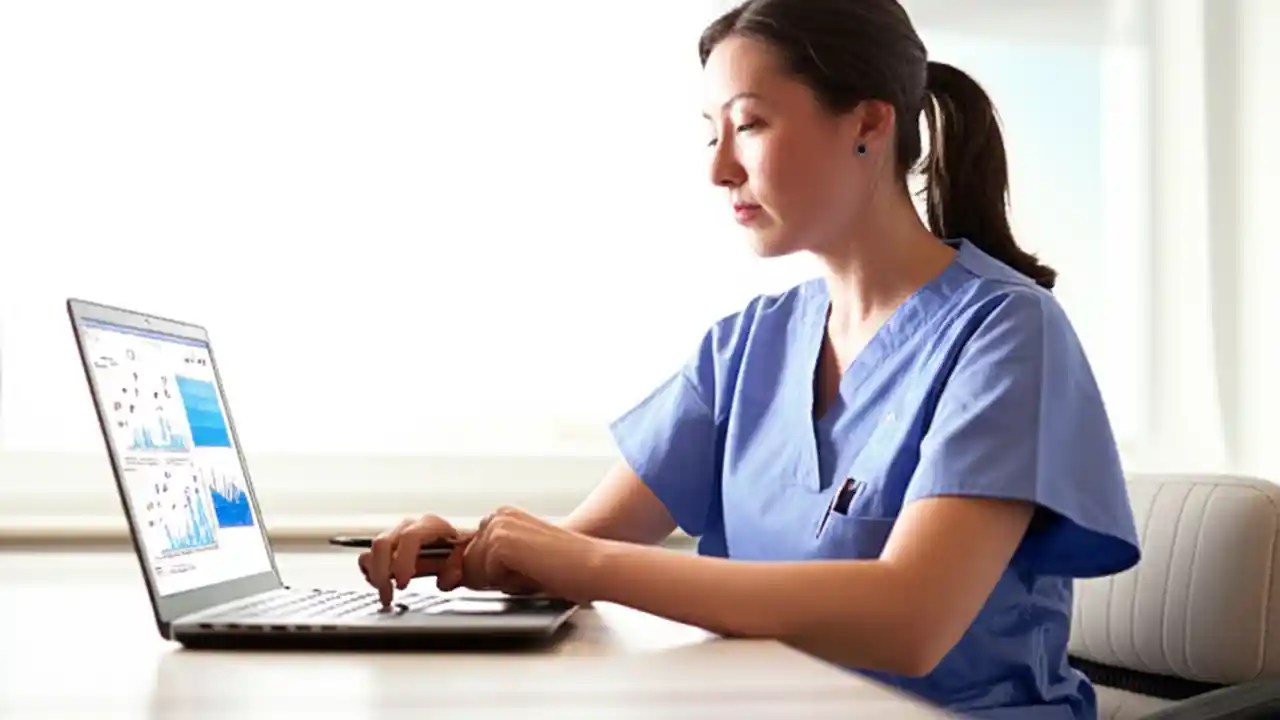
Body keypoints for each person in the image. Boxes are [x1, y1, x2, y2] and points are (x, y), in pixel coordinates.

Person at [357, 1, 1140, 717]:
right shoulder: (747, 347)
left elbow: (910, 620)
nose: (718, 167)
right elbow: (579, 546)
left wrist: (582, 562)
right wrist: (464, 549)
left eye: (750, 124)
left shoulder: (1006, 331)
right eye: (712, 132)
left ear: (868, 123)